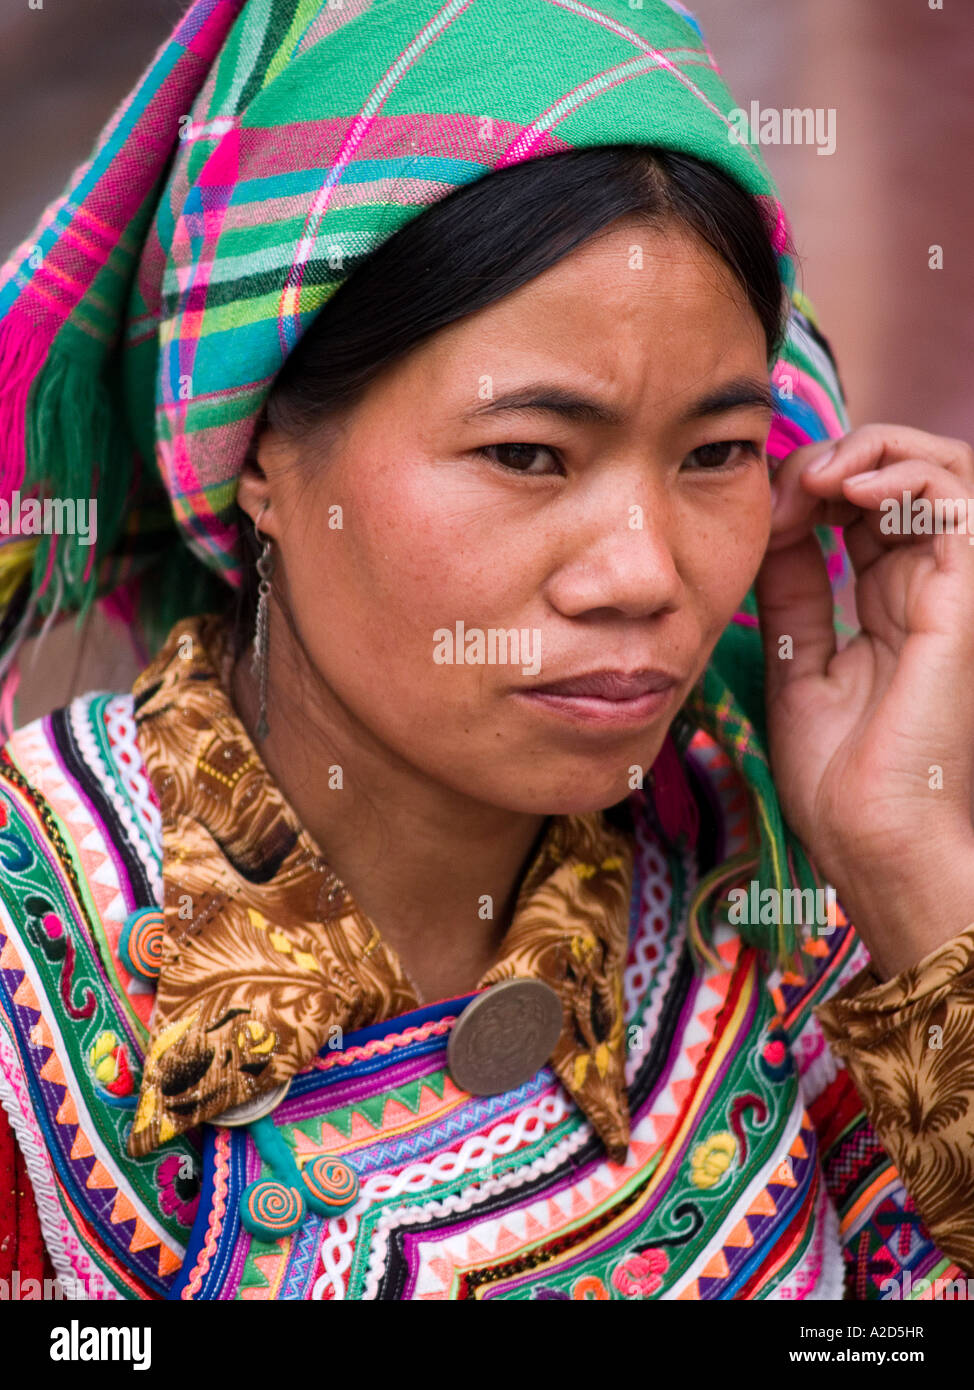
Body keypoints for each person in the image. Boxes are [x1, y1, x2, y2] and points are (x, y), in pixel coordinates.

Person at [0, 0, 973, 1302]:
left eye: (715, 454)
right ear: (262, 454)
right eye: (527, 453)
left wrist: (902, 854)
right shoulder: (30, 954)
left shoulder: (772, 885)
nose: (641, 572)